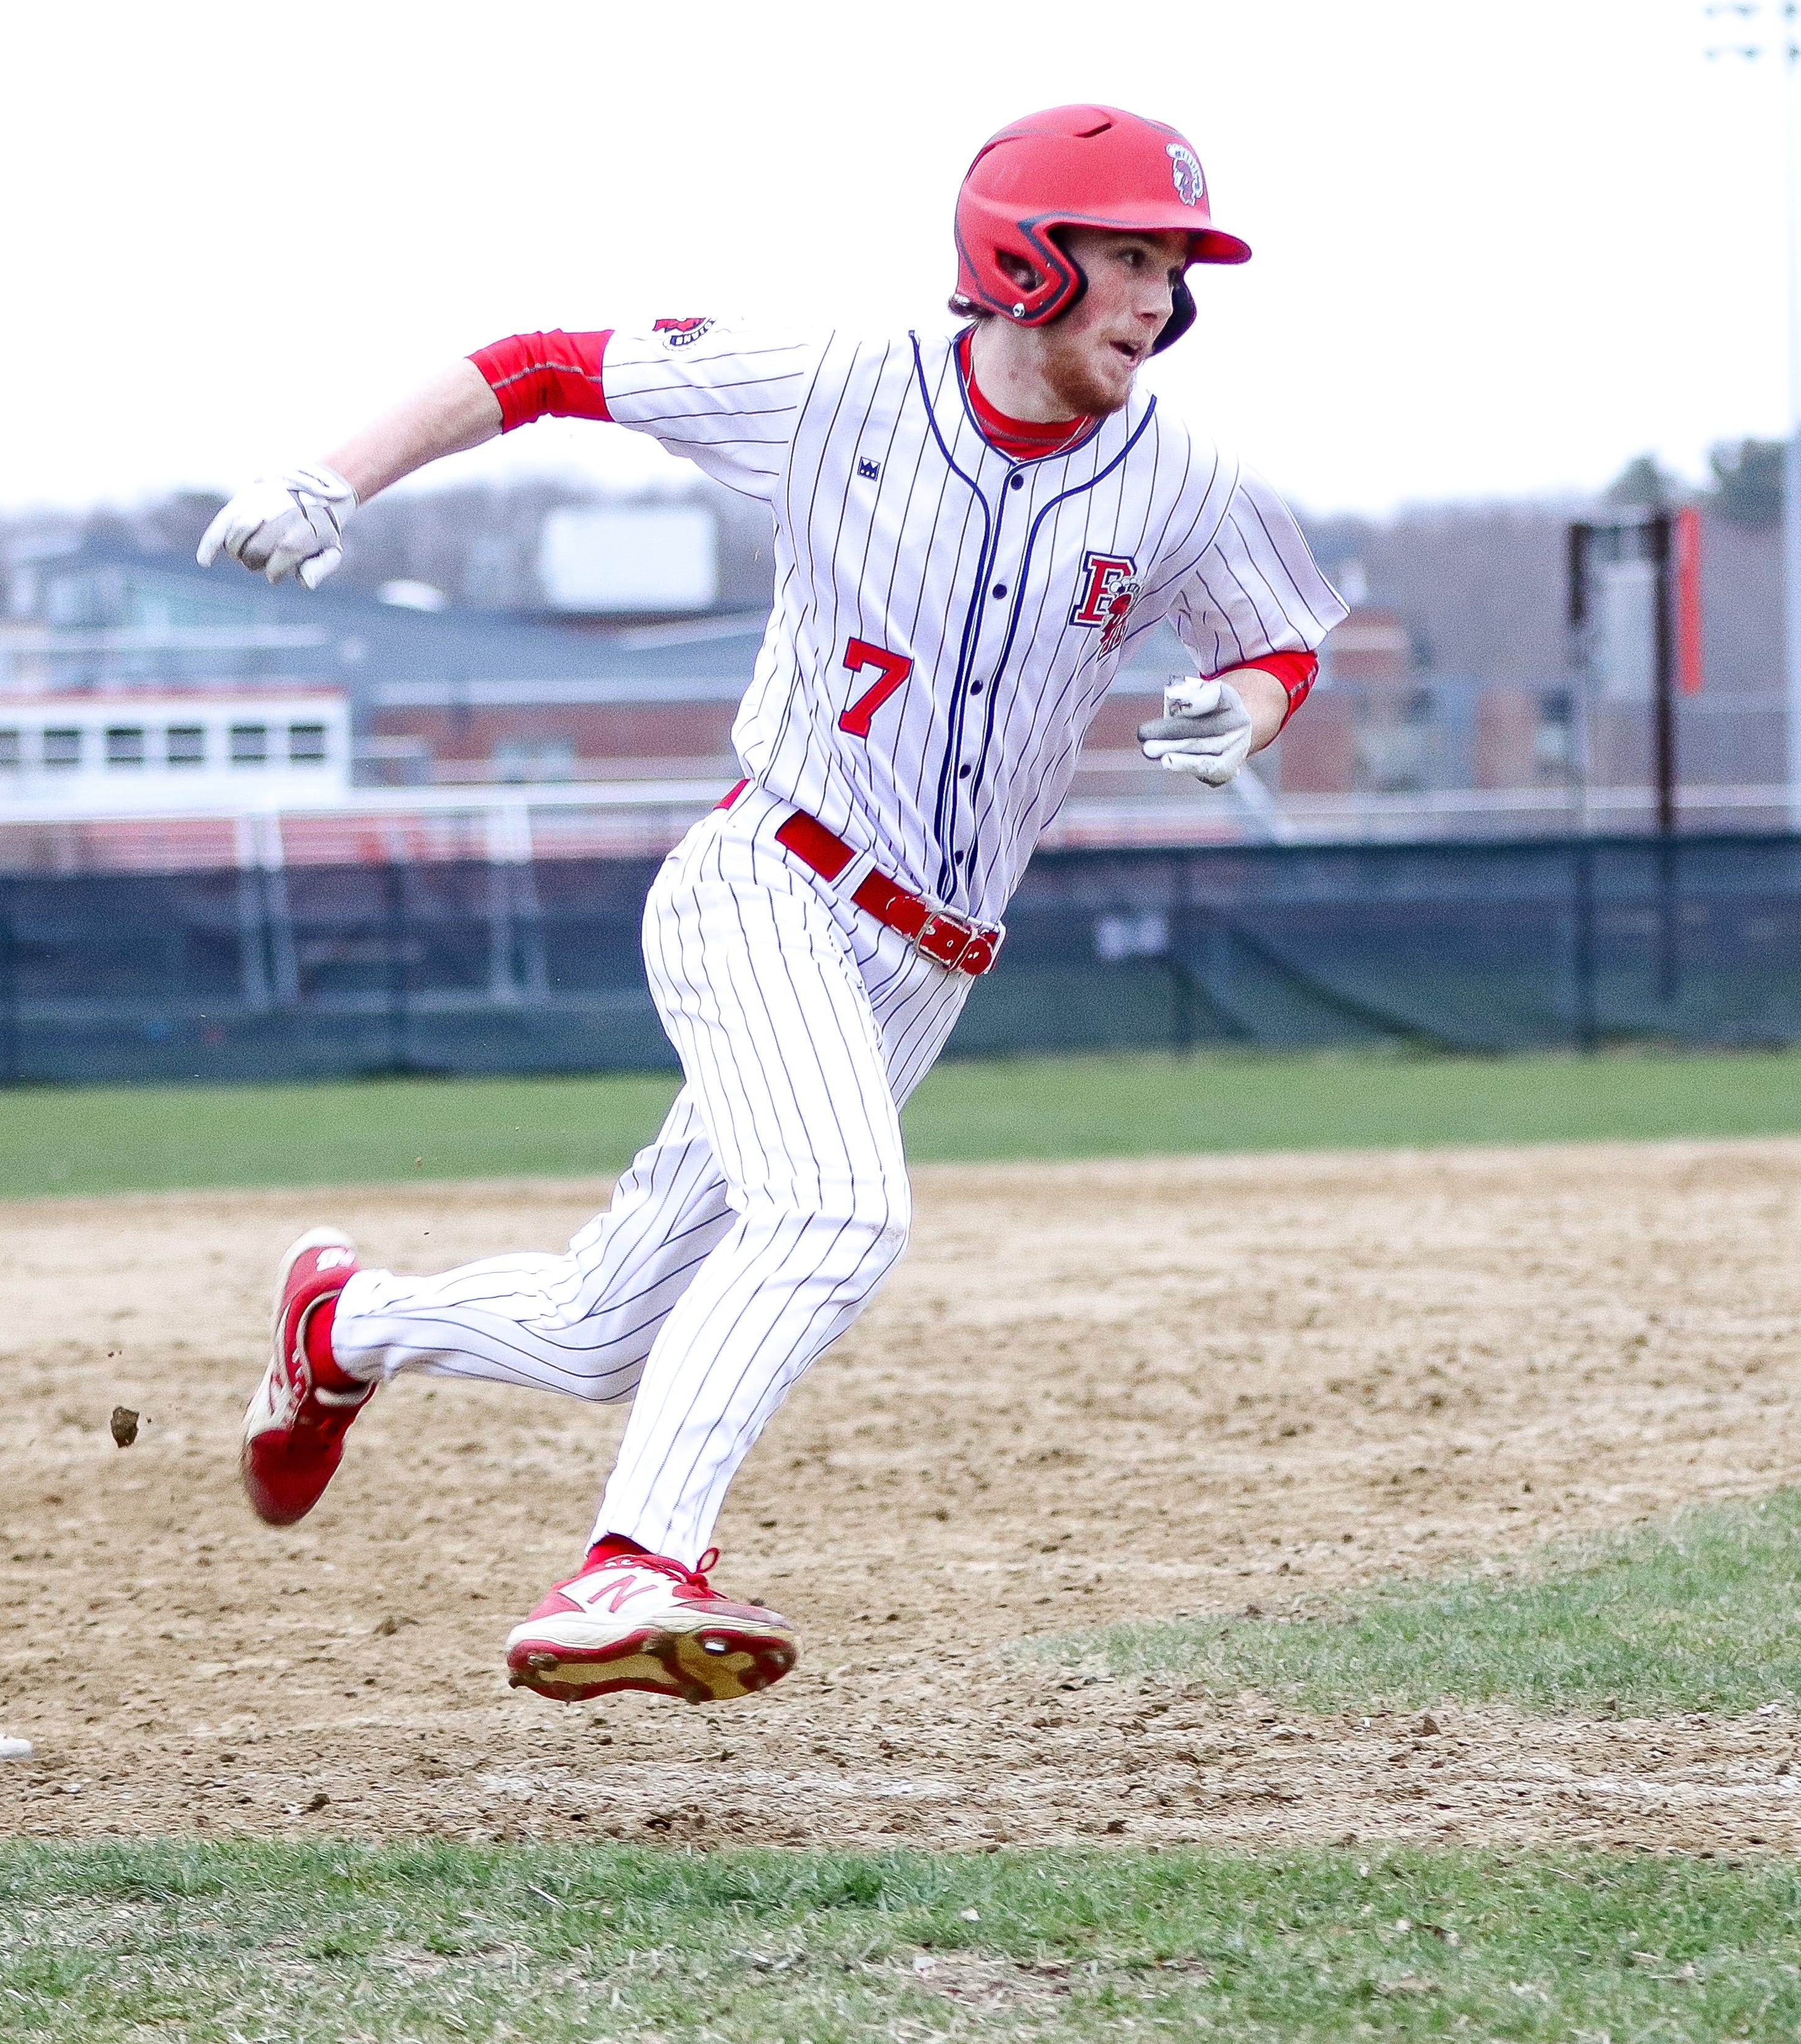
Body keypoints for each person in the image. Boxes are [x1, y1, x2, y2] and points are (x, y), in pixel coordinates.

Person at [199, 105, 1344, 1705]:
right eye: (1126, 257)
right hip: (771, 885)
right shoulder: (835, 385)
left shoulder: (1180, 474)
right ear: (1022, 256)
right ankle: (634, 1563)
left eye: (1172, 267)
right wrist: (330, 475)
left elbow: (1276, 635)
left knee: (607, 1332)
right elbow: (542, 362)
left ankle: (344, 1328)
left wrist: (1251, 708)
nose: (1156, 299)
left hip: (927, 968)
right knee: (838, 1217)